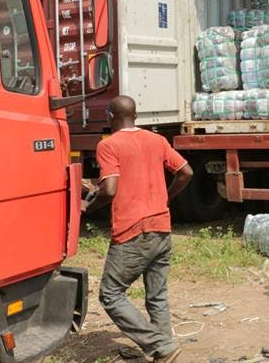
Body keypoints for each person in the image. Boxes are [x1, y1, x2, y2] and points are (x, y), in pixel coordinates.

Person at [82, 95, 194, 363]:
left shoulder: (108, 145)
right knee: (157, 295)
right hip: (162, 227)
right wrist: (166, 198)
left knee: (110, 295)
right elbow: (186, 172)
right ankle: (164, 349)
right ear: (136, 115)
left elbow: (110, 190)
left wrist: (86, 207)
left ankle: (160, 347)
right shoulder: (156, 140)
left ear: (110, 116)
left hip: (133, 230)